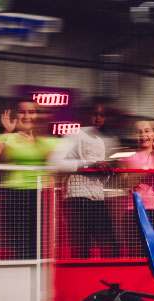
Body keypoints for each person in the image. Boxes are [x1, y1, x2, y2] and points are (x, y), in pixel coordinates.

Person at [0, 99, 62, 259]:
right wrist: (6, 132)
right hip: (15, 195)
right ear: (15, 115)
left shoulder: (47, 140)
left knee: (41, 244)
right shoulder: (4, 137)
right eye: (22, 112)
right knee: (18, 244)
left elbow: (61, 163)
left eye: (31, 112)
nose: (27, 116)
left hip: (41, 195)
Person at [49, 102, 119, 258]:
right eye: (94, 114)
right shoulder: (75, 135)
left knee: (110, 246)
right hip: (76, 197)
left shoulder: (101, 141)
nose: (98, 119)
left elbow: (101, 178)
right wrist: (87, 164)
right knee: (81, 247)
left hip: (97, 198)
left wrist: (105, 171)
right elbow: (54, 163)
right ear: (86, 115)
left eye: (102, 115)